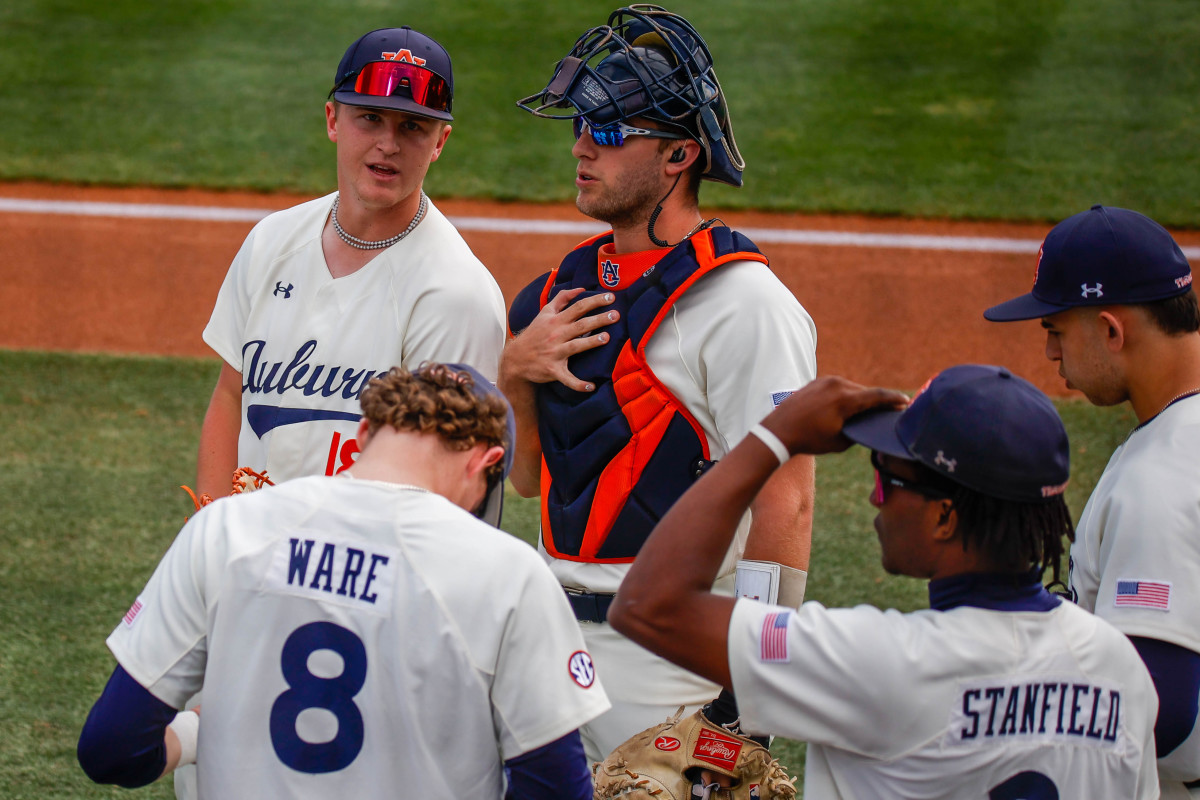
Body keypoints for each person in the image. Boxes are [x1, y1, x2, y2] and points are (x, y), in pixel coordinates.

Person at [610, 364, 1161, 798]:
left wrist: (775, 438)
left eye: (889, 478)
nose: (876, 498)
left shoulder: (878, 662)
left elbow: (647, 603)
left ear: (945, 516)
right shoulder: (1119, 669)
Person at [503, 5, 818, 761]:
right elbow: (525, 482)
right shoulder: (556, 295)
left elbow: (789, 494)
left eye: (608, 134)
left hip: (672, 659)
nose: (583, 149)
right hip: (553, 651)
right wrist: (514, 374)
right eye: (580, 126)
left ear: (680, 155)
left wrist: (752, 691)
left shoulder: (746, 304)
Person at [77, 363, 610, 799]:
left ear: (364, 434)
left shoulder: (226, 529)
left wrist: (195, 734)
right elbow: (554, 790)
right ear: (486, 462)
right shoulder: (507, 574)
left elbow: (111, 750)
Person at [195, 26, 505, 501]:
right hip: (249, 553)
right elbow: (230, 397)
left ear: (440, 141)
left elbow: (444, 486)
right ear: (333, 120)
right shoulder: (270, 243)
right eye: (371, 118)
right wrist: (211, 531)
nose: (389, 144)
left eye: (412, 127)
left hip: (358, 568)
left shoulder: (454, 294)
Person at [985, 204, 1200, 797]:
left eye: (1055, 331)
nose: (1052, 355)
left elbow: (1162, 708)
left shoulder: (1163, 477)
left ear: (1111, 329)